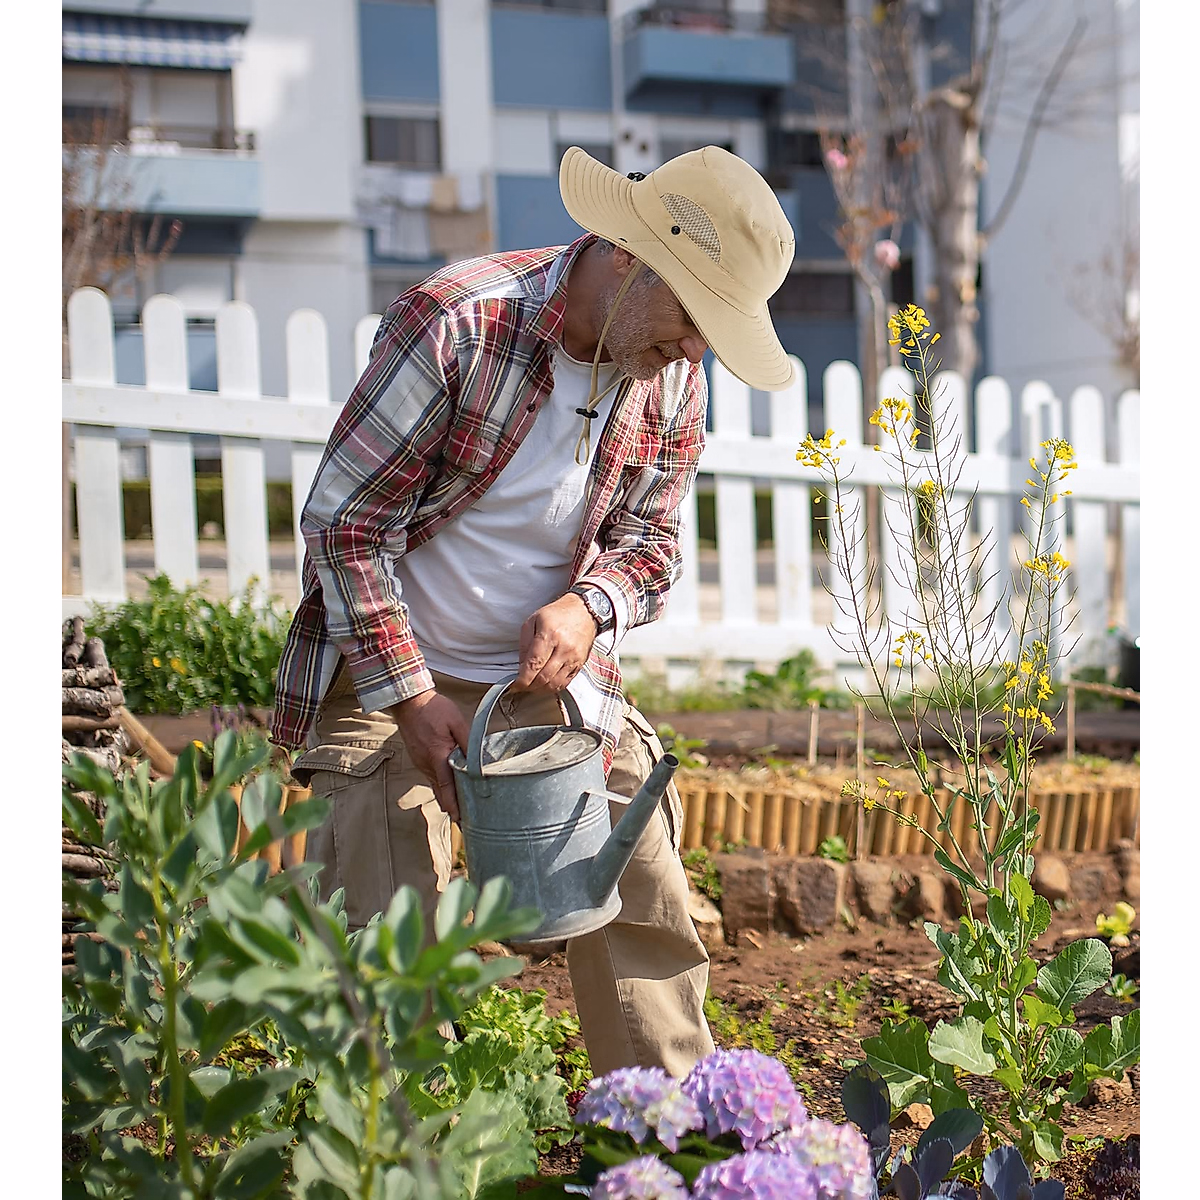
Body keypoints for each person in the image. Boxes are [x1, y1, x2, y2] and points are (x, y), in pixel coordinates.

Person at [270, 145, 796, 1078]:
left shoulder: (670, 372)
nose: (694, 351)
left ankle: (663, 1146)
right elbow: (345, 526)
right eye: (692, 318)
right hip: (391, 674)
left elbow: (652, 547)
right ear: (632, 259)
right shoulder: (461, 324)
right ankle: (406, 1157)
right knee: (388, 920)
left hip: (544, 684)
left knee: (639, 881)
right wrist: (409, 697)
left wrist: (590, 610)